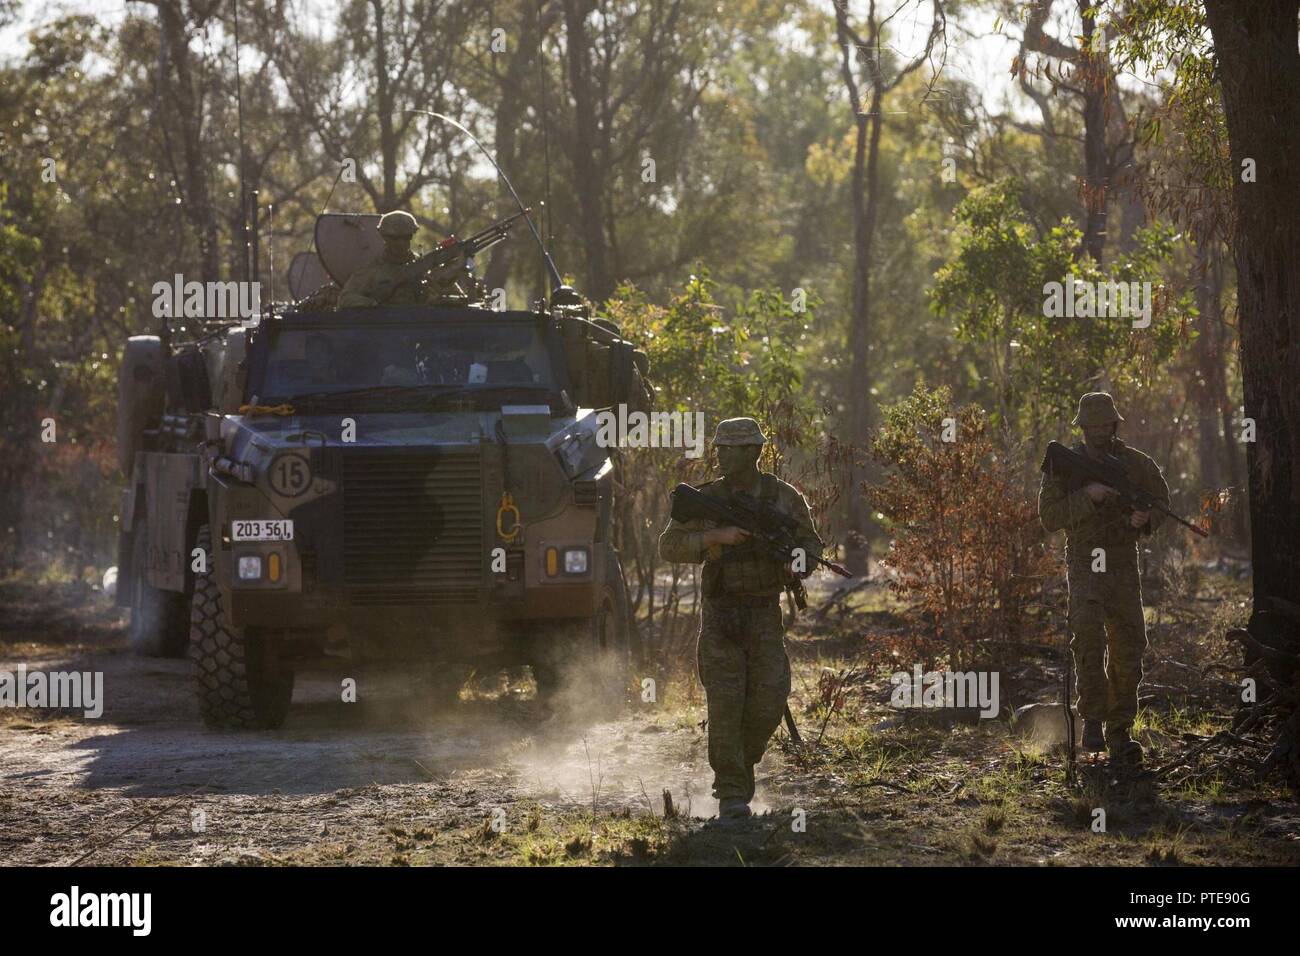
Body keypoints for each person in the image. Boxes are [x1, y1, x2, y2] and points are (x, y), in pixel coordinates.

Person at [658, 418, 824, 820]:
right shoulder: (706, 498)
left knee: (770, 699)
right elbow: (669, 546)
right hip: (721, 616)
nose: (722, 455)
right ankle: (732, 794)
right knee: (726, 704)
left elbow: (811, 546)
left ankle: (741, 763)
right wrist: (716, 537)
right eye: (719, 448)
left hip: (764, 614)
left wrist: (794, 560)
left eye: (731, 449)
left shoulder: (782, 497)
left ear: (753, 452)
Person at [1038, 392, 1171, 765]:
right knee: (1089, 638)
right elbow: (1049, 517)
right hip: (1085, 560)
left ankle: (1120, 732)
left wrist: (1146, 521)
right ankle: (1092, 720)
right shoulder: (1064, 464)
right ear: (1082, 427)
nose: (1098, 431)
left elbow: (1161, 501)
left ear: (1114, 425)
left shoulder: (1136, 463)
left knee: (1130, 643)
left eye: (1104, 424)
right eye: (1091, 425)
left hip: (1122, 562)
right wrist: (1088, 496)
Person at [337, 210, 466, 309]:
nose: (401, 243)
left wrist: (451, 273)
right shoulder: (372, 270)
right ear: (384, 237)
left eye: (406, 237)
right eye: (395, 238)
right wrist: (373, 304)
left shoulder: (424, 266)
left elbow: (458, 298)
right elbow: (345, 298)